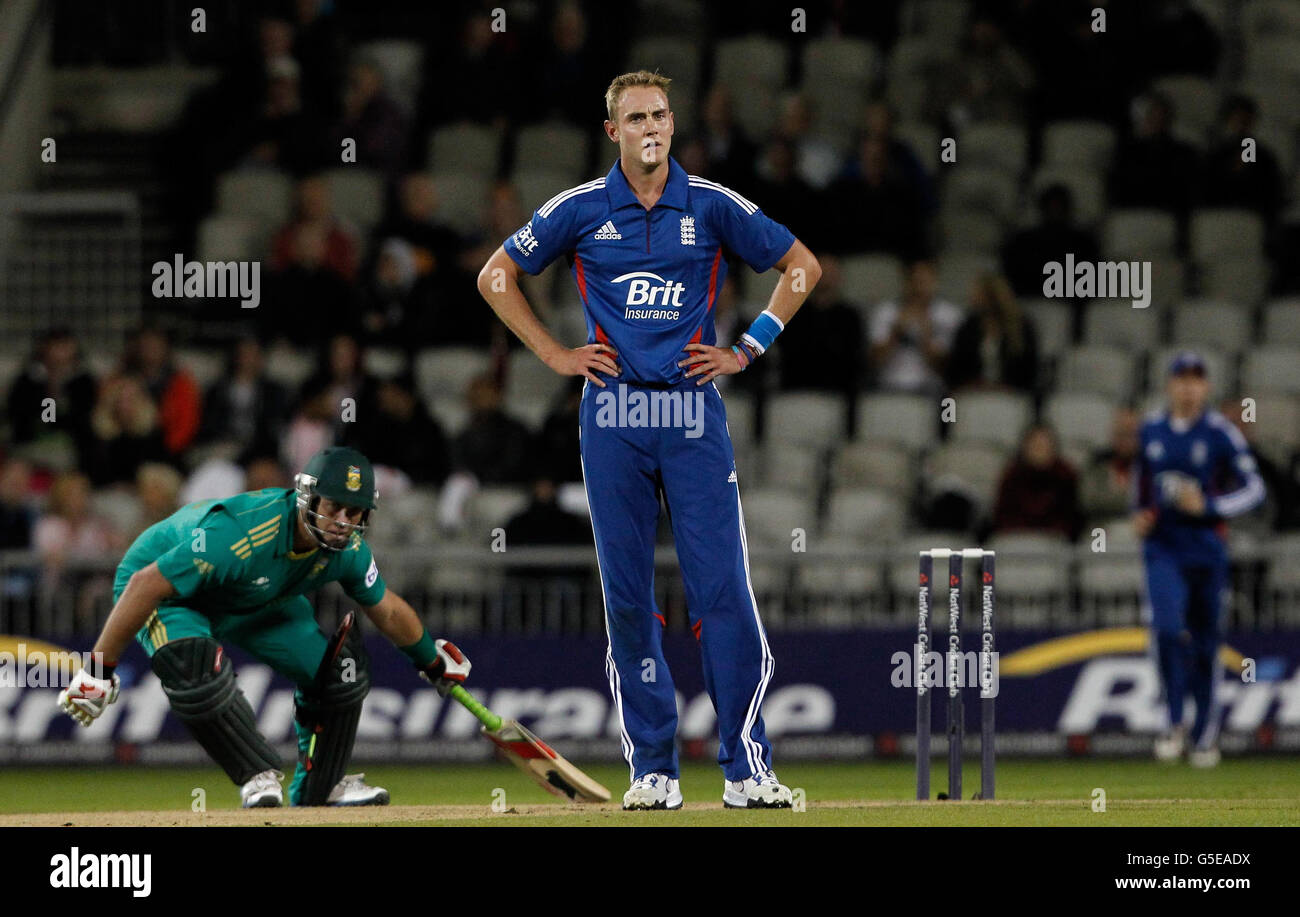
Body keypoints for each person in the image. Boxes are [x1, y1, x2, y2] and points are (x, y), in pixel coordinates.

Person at [477, 70, 821, 810]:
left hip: (694, 418)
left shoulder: (711, 202)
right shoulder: (580, 209)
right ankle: (654, 768)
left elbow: (802, 266)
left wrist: (748, 349)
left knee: (722, 591)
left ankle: (745, 769)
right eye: (636, 118)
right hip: (613, 422)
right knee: (629, 599)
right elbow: (496, 276)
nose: (652, 128)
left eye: (661, 115)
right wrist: (555, 356)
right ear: (614, 132)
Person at [57, 447, 471, 807]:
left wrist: (431, 659)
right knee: (194, 668)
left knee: (340, 674)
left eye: (354, 511)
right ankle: (258, 776)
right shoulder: (242, 533)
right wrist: (98, 671)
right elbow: (145, 583)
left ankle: (321, 788)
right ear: (307, 497)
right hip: (169, 592)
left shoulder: (349, 551)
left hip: (252, 598)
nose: (343, 522)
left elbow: (389, 611)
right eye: (333, 507)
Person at [1133, 352, 1265, 767]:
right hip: (1163, 548)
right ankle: (1173, 721)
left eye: (1197, 380)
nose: (1189, 388)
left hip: (1207, 549)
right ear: (1170, 385)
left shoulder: (1220, 432)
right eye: (1182, 379)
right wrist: (1139, 514)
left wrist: (1209, 505)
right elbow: (1140, 486)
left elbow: (1253, 488)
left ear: (1205, 387)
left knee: (1206, 644)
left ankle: (1205, 734)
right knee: (1168, 630)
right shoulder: (1151, 430)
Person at [867, 259, 963, 396]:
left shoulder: (950, 315)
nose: (919, 288)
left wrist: (926, 335)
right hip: (889, 386)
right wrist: (895, 333)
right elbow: (875, 362)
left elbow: (946, 368)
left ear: (935, 282)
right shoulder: (886, 312)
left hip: (932, 389)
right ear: (906, 283)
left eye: (924, 282)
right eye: (915, 282)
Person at [945, 271, 1039, 394]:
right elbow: (957, 366)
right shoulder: (968, 326)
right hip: (974, 391)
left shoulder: (1021, 326)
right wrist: (972, 383)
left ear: (991, 295)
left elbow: (1029, 368)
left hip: (1012, 392)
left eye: (977, 293)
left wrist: (1007, 386)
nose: (971, 296)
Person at [991, 423, 1082, 540]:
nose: (1039, 451)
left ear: (1053, 448)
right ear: (1025, 448)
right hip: (1017, 538)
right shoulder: (1012, 475)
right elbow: (1002, 517)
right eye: (1035, 446)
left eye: (1043, 446)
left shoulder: (1066, 475)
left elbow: (1072, 518)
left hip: (1054, 541)